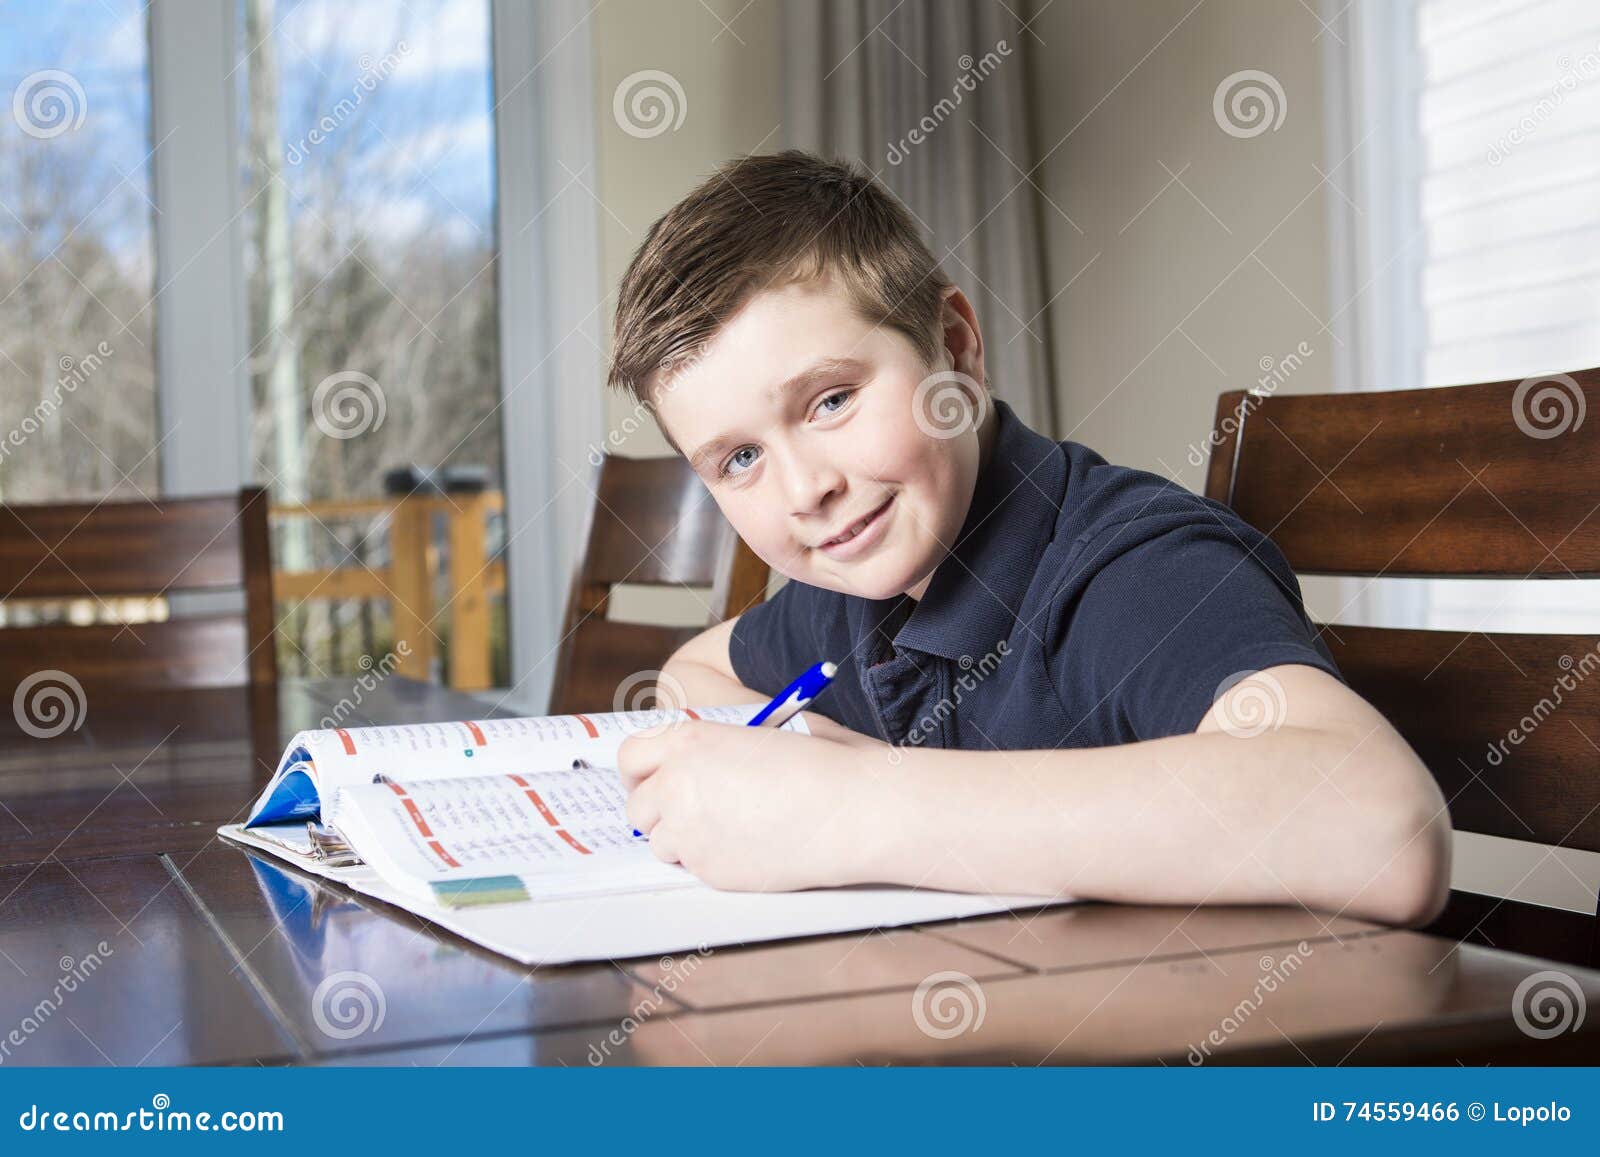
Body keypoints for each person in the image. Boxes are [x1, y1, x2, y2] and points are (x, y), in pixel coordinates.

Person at [608, 150, 1449, 926]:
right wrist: (760, 781)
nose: (806, 489)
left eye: (831, 400)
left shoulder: (1128, 574)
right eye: (740, 458)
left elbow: (1385, 827)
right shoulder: (851, 595)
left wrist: (854, 801)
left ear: (957, 352)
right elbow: (700, 668)